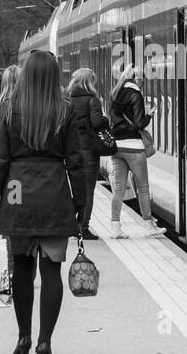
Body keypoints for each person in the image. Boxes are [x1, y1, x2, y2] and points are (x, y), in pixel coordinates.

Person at [0, 50, 84, 354]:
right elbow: (76, 162)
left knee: (22, 270)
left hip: (16, 191)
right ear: (54, 76)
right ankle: (44, 342)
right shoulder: (64, 110)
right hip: (53, 191)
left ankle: (23, 337)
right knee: (51, 272)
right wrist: (81, 205)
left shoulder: (10, 108)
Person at [108, 64, 166, 239]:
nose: (142, 83)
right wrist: (150, 114)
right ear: (138, 79)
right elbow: (139, 123)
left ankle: (116, 228)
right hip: (133, 146)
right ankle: (148, 225)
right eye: (142, 80)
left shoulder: (115, 94)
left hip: (117, 146)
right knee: (143, 187)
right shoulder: (136, 94)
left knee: (118, 189)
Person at [66, 66, 110, 240]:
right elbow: (97, 121)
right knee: (88, 191)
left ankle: (71, 224)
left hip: (71, 151)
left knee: (76, 188)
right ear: (89, 82)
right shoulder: (92, 100)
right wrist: (106, 120)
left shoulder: (67, 99)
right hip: (88, 152)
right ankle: (83, 227)